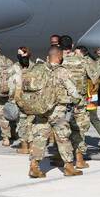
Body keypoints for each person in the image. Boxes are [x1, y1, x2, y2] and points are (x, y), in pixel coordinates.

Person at [21, 46, 82, 178]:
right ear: (60, 57)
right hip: (57, 111)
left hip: (40, 110)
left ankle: (34, 166)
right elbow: (73, 92)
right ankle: (69, 167)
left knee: (40, 137)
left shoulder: (38, 69)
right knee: (63, 137)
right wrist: (79, 102)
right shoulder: (62, 71)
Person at [57, 36, 90, 169]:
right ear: (72, 45)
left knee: (61, 130)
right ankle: (80, 159)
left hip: (62, 101)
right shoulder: (81, 60)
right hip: (78, 101)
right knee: (79, 130)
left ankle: (62, 159)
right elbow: (95, 75)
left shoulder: (56, 61)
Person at [75, 45, 100, 150]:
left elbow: (93, 78)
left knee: (82, 119)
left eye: (77, 53)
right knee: (93, 118)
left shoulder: (85, 62)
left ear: (82, 54)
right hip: (92, 94)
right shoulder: (91, 61)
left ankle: (79, 146)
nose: (75, 55)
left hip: (87, 94)